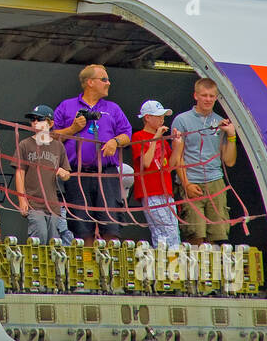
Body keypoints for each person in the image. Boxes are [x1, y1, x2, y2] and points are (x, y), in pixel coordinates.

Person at [52, 65, 132, 242]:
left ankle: (112, 268)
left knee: (111, 225)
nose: (108, 83)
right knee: (81, 229)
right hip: (77, 175)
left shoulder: (113, 108)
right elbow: (48, 139)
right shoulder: (66, 106)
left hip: (107, 174)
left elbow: (127, 134)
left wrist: (115, 141)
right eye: (104, 79)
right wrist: (73, 128)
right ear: (90, 82)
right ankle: (87, 268)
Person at [170, 78, 238, 245]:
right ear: (196, 96)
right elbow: (178, 155)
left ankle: (213, 270)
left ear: (216, 98)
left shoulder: (220, 121)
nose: (208, 99)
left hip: (215, 182)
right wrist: (186, 184)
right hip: (191, 181)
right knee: (195, 235)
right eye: (204, 95)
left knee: (217, 235)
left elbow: (229, 161)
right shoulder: (182, 120)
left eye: (212, 96)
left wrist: (231, 135)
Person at [14, 105, 72, 244]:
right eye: (32, 119)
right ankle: (35, 265)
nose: (34, 122)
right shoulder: (25, 144)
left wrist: (64, 174)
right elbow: (19, 172)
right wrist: (22, 199)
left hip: (53, 204)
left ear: (50, 123)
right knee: (39, 234)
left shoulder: (58, 146)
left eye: (39, 119)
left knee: (54, 240)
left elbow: (67, 172)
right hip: (34, 202)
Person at [130, 100, 180, 249]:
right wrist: (156, 138)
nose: (162, 119)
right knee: (165, 231)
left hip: (166, 192)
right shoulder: (138, 136)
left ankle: (168, 264)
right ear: (147, 117)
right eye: (158, 116)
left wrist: (177, 145)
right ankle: (171, 263)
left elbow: (170, 166)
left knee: (171, 230)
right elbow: (145, 162)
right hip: (150, 191)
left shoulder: (163, 140)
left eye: (163, 116)